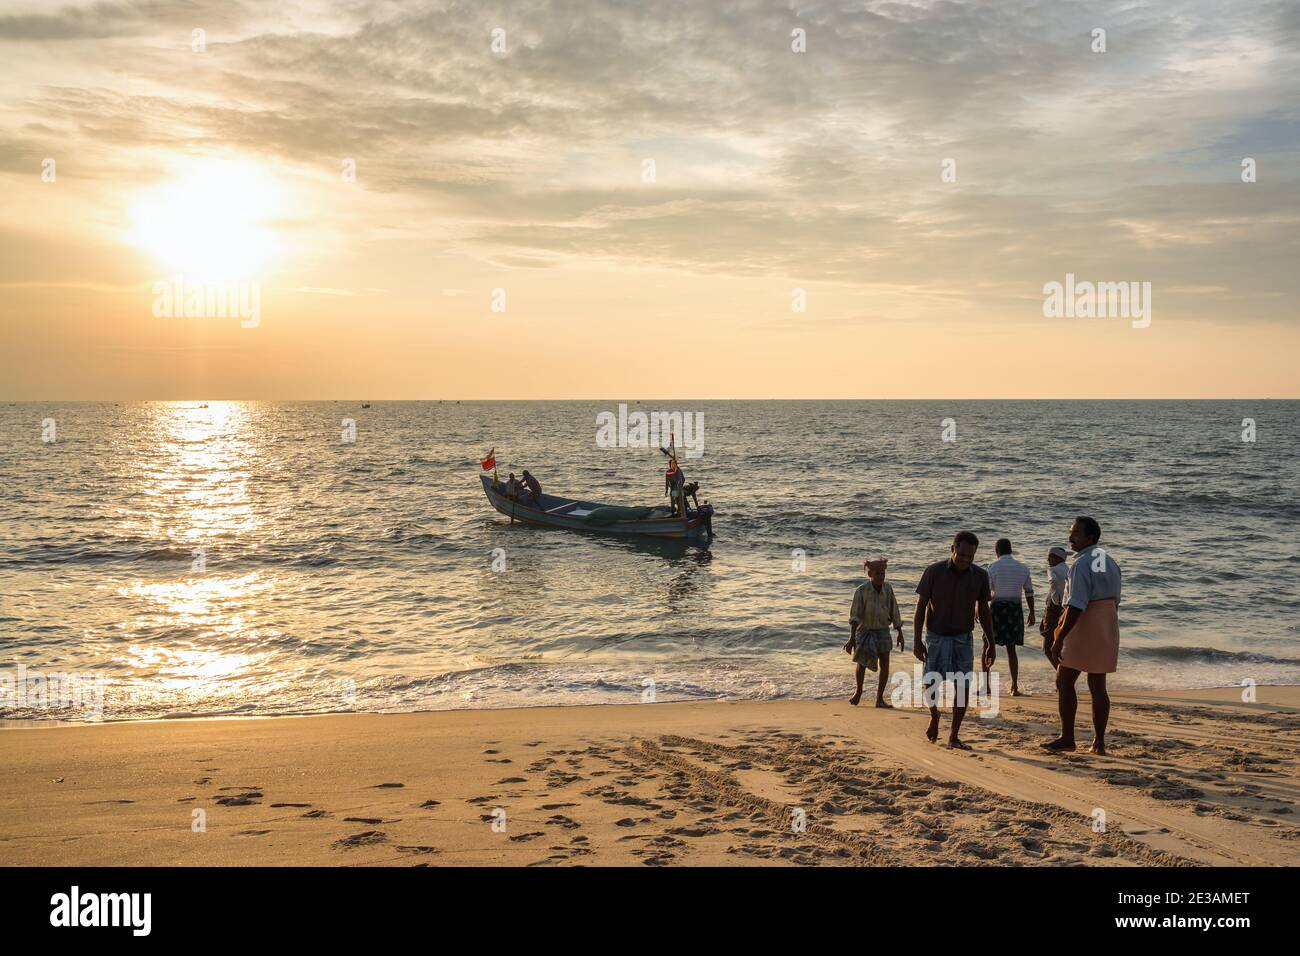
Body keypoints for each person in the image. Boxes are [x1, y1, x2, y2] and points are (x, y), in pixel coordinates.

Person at [1043, 516, 1121, 755]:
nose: (1070, 538)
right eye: (1070, 532)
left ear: (1090, 537)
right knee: (1097, 684)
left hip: (1085, 620)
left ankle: (1067, 737)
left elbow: (1076, 605)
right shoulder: (1108, 560)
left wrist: (1059, 637)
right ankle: (1098, 742)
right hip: (1107, 620)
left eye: (1075, 533)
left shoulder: (1080, 564)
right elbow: (1116, 599)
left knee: (1064, 680)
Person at [914, 531, 994, 749]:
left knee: (963, 686)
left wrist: (990, 644)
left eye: (970, 557)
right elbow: (921, 607)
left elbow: (984, 611)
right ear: (953, 549)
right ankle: (934, 715)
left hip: (963, 638)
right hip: (936, 637)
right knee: (931, 683)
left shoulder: (979, 575)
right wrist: (916, 640)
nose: (965, 560)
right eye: (961, 555)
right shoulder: (933, 571)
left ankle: (954, 736)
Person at [844, 557, 904, 708]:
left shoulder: (888, 589)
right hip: (864, 632)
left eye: (883, 574)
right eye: (878, 574)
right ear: (870, 574)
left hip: (883, 631)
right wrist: (851, 638)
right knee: (861, 663)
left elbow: (894, 611)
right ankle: (858, 692)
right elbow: (855, 616)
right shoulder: (862, 591)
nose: (881, 577)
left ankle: (879, 699)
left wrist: (899, 632)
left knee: (885, 664)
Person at [984, 538, 1035, 697]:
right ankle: (1014, 686)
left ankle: (986, 686)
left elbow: (987, 594)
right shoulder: (1023, 567)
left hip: (997, 608)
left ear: (996, 551)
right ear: (1010, 550)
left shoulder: (992, 567)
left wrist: (977, 611)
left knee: (987, 645)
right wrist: (1032, 612)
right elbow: (1029, 592)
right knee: (1011, 649)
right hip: (1015, 608)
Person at [1039, 546, 1069, 663]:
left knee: (1048, 647)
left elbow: (1053, 581)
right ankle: (1063, 671)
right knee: (1061, 642)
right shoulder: (1070, 570)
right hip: (1066, 608)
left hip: (1053, 607)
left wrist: (1055, 597)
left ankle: (1060, 673)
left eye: (1050, 557)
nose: (1048, 560)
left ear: (1057, 558)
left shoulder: (1052, 570)